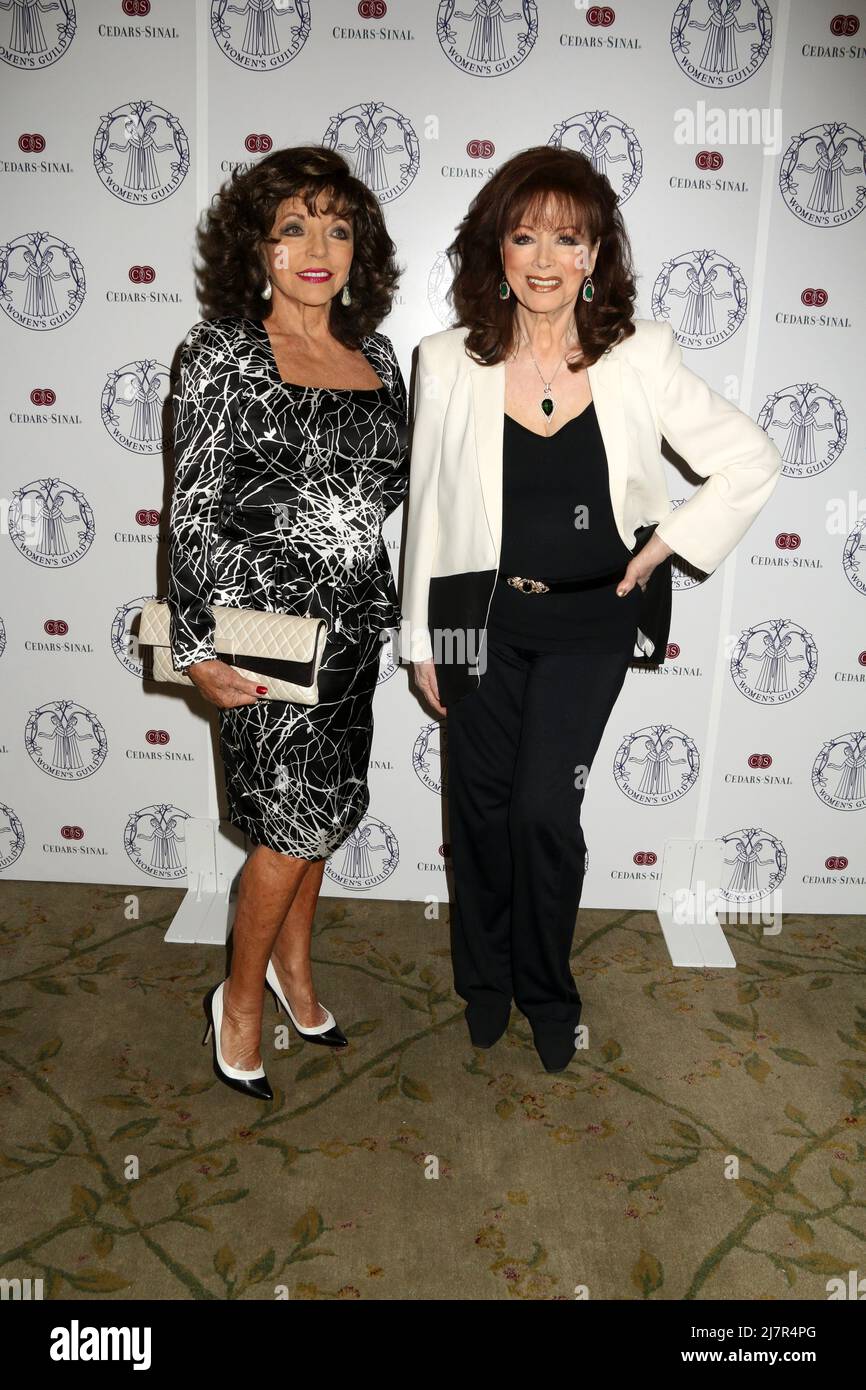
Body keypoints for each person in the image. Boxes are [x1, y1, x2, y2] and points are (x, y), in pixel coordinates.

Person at [400, 145, 782, 1073]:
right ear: (496, 250)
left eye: (566, 238)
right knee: (479, 810)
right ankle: (484, 983)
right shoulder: (446, 360)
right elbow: (429, 508)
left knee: (541, 809)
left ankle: (547, 990)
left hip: (588, 622)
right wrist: (420, 637)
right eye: (523, 235)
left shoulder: (640, 357)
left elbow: (751, 460)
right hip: (468, 611)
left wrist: (666, 546)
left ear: (596, 252)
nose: (543, 258)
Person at [167, 146, 408, 1099]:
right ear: (258, 247)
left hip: (353, 635)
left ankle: (293, 971)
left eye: (338, 228)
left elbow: (391, 496)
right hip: (260, 637)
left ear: (360, 251)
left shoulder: (379, 358)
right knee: (291, 826)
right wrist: (193, 649)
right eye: (293, 227)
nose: (318, 247)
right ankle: (236, 998)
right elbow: (191, 505)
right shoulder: (221, 352)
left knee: (326, 818)